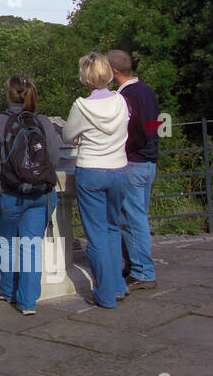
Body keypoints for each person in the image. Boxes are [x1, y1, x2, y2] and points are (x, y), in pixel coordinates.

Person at [0, 75, 61, 315]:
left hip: (10, 194)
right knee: (31, 247)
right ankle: (28, 302)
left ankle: (8, 291)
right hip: (40, 194)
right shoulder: (43, 122)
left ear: (8, 94)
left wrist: (12, 174)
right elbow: (54, 159)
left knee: (7, 244)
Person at [63, 53, 130, 309]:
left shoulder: (81, 106)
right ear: (109, 74)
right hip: (119, 169)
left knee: (97, 234)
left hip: (91, 170)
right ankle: (118, 286)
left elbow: (69, 135)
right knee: (113, 227)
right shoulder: (122, 102)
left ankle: (105, 293)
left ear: (85, 77)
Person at [107, 50, 160, 291]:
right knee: (135, 216)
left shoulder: (125, 97)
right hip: (148, 161)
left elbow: (133, 131)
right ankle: (134, 265)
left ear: (113, 71)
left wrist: (123, 150)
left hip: (134, 162)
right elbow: (153, 126)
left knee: (131, 218)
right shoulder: (146, 91)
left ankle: (142, 271)